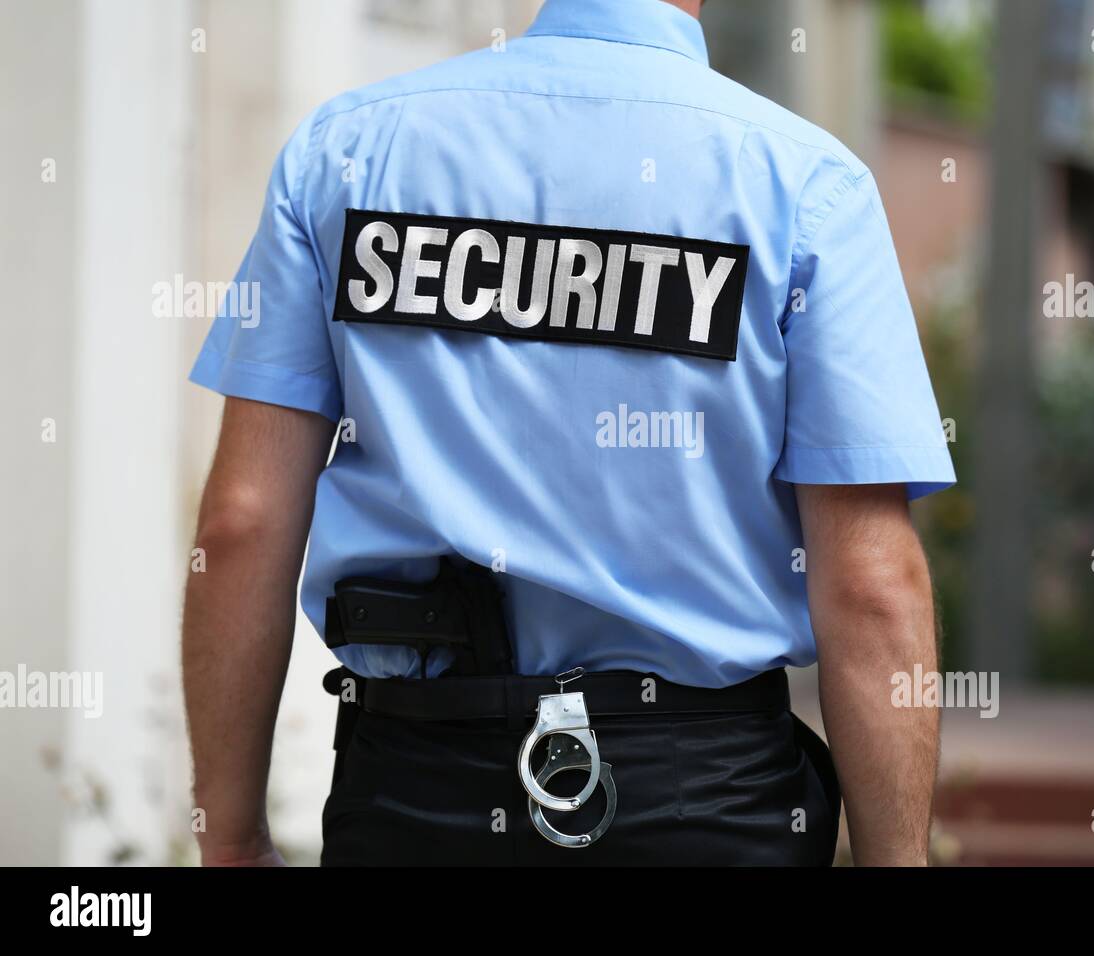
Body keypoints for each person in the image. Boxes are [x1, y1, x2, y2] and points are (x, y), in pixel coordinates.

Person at [183, 0, 954, 867]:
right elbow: (871, 585)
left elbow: (242, 525)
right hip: (705, 802)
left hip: (415, 794)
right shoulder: (805, 185)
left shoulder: (346, 152)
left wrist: (232, 838)